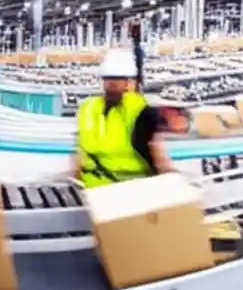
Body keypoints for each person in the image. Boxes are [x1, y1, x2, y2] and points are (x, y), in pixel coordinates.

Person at [71, 48, 173, 187]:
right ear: (129, 83)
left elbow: (77, 159)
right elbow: (160, 159)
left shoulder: (87, 108)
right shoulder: (141, 111)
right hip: (133, 193)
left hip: (94, 192)